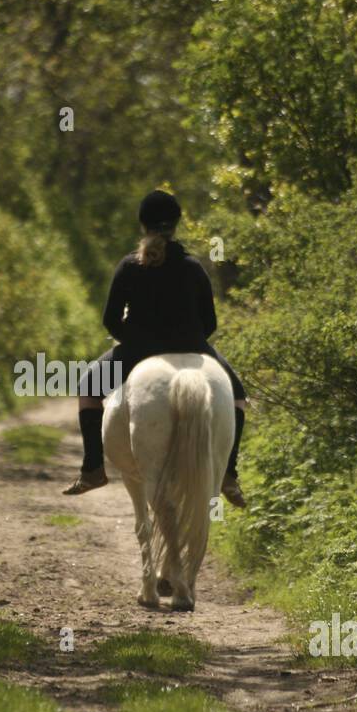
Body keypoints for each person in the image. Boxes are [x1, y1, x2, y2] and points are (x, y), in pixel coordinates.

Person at [63, 189, 247, 505]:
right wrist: (190, 340)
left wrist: (132, 339)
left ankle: (92, 469)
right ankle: (229, 474)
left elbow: (109, 320)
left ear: (142, 224)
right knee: (238, 397)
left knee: (89, 390)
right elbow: (211, 322)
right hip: (194, 349)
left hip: (136, 351)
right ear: (176, 224)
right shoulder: (193, 267)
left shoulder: (129, 266)